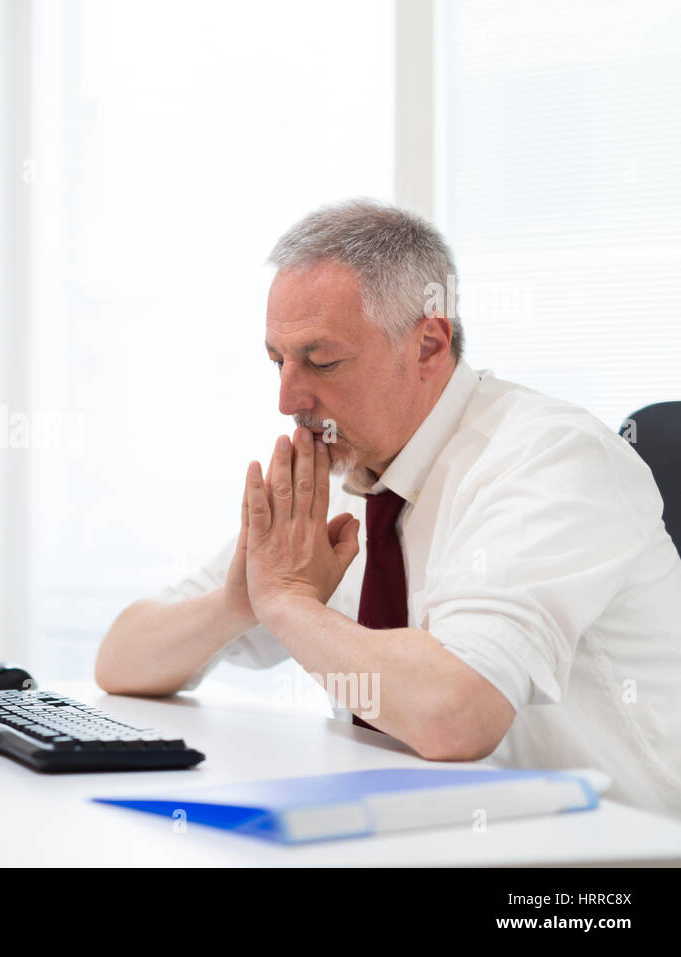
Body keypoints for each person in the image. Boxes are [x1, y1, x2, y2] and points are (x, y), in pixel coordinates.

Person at [94, 199, 681, 816]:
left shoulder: (551, 458)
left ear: (429, 344)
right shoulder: (345, 470)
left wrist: (289, 604)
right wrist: (238, 603)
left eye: (322, 362)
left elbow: (456, 715)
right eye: (277, 361)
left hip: (623, 857)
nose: (287, 397)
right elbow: (121, 661)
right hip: (434, 837)